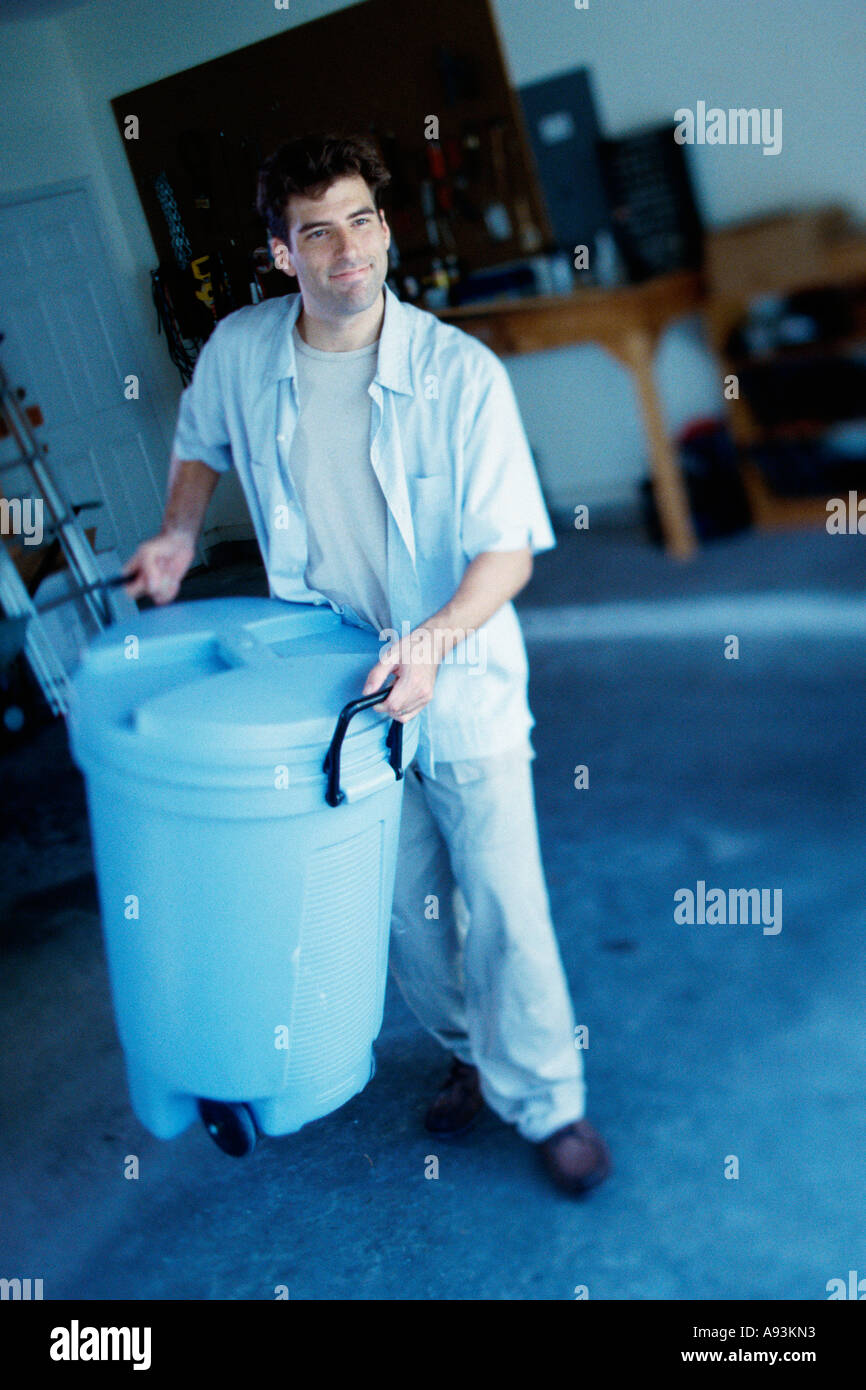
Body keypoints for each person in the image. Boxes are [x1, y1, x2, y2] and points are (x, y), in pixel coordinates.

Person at [124, 133, 611, 1195]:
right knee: (400, 908)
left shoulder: (456, 374)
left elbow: (507, 549)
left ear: (384, 228)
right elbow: (201, 444)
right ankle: (468, 1053)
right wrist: (173, 534)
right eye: (316, 233)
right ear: (279, 254)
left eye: (360, 221)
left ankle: (548, 1101)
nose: (345, 251)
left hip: (461, 672)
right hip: (335, 687)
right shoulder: (240, 352)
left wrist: (433, 641)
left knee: (505, 901)